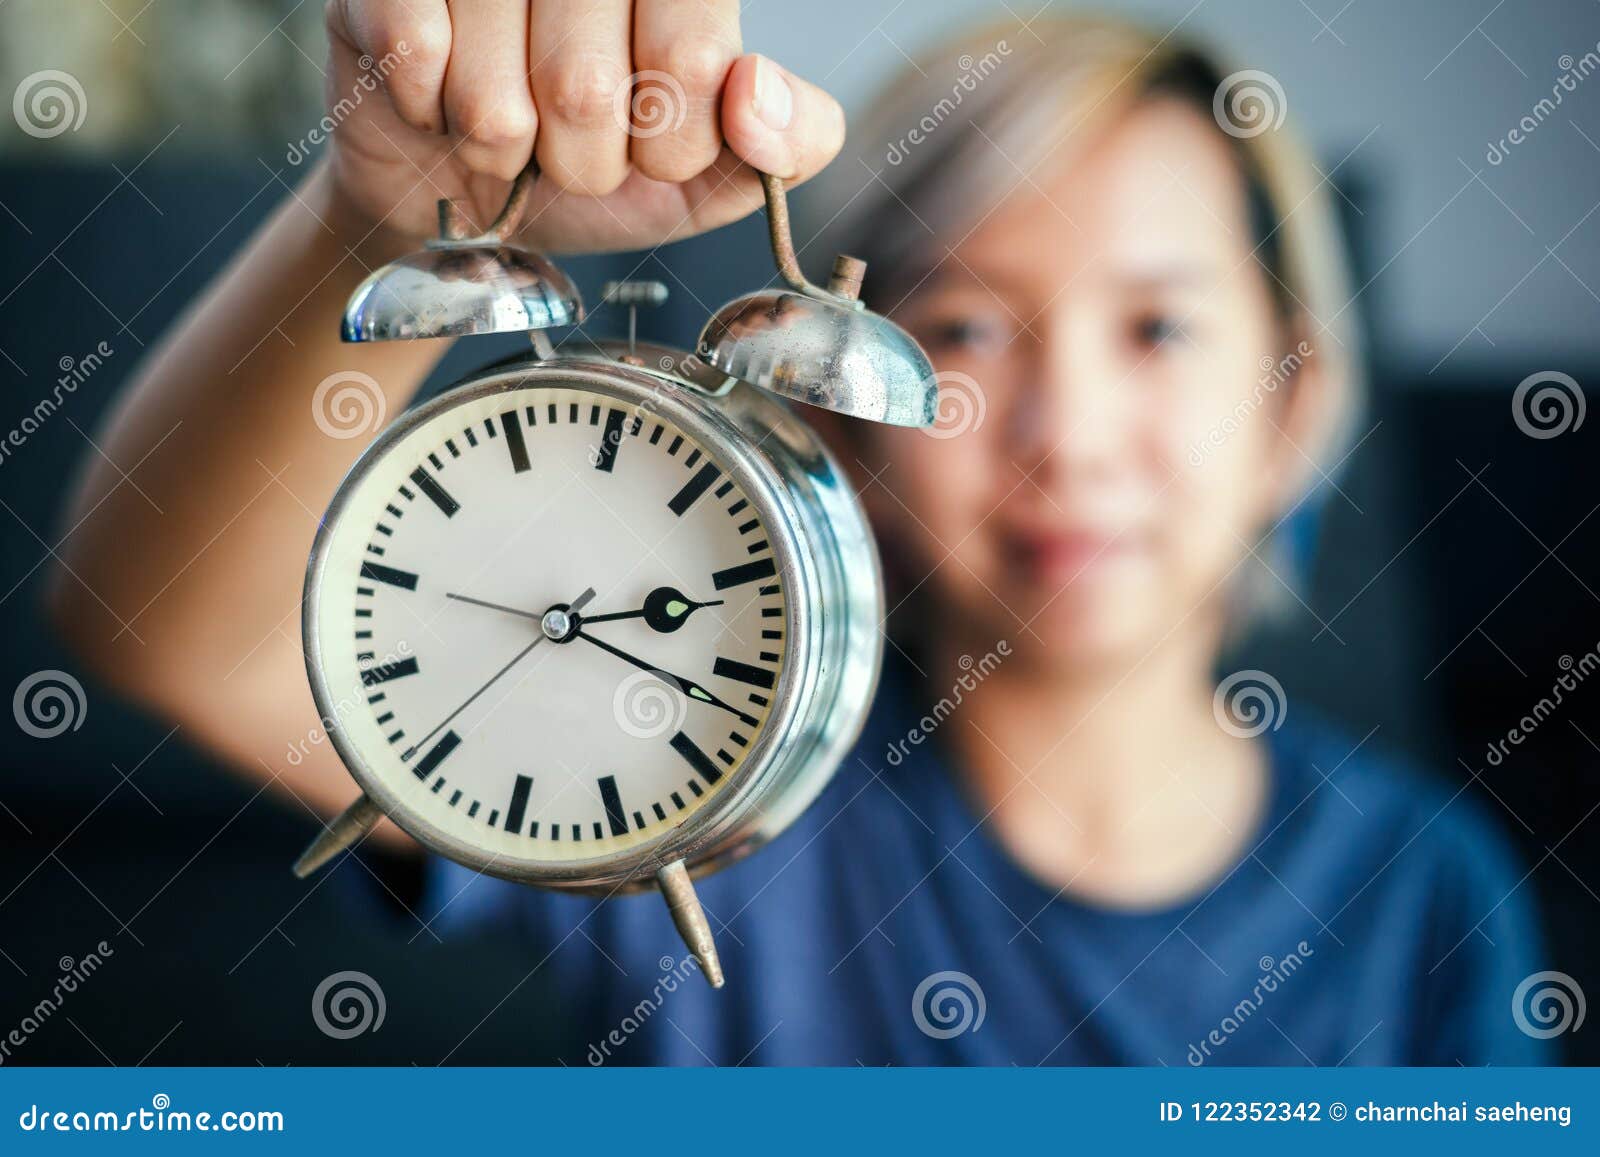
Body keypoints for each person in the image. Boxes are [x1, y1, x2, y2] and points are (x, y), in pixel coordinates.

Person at [51, 5, 1548, 1065]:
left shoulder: (1423, 893)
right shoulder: (701, 780)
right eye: (965, 327)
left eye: (1157, 328)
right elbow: (168, 632)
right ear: (850, 428)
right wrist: (379, 221)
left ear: (1294, 401)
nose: (1070, 435)